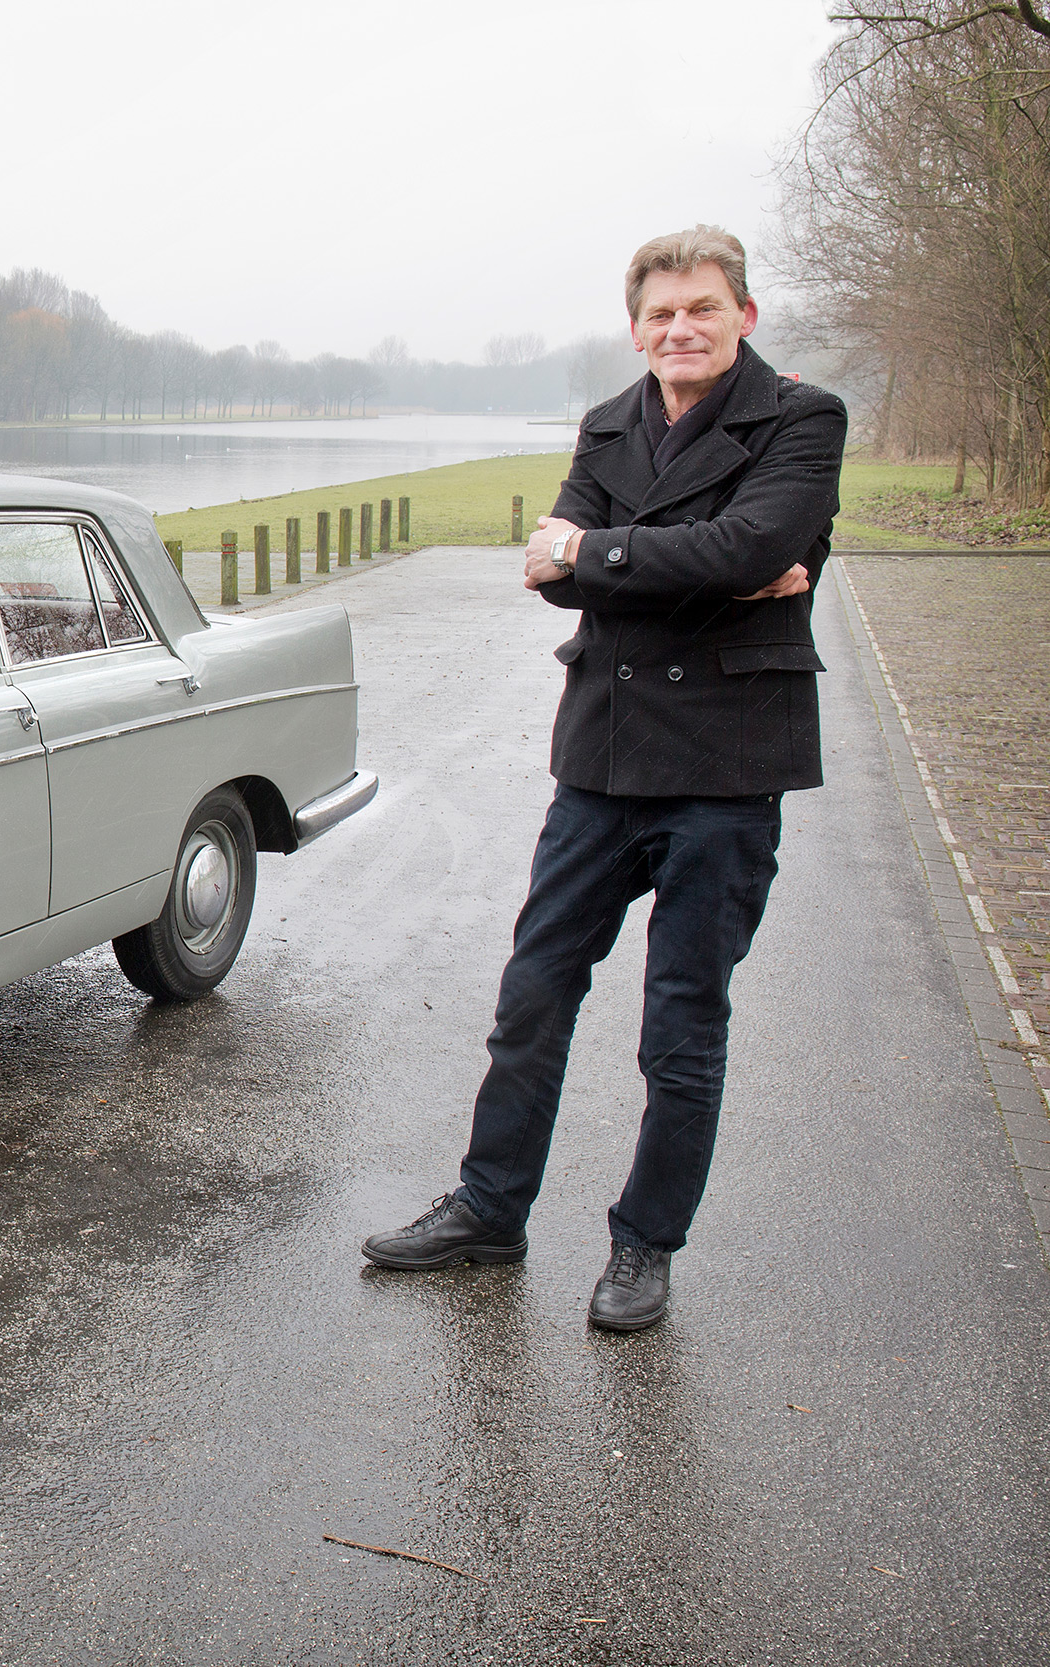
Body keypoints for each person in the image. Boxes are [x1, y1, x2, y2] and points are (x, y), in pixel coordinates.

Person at [362, 226, 847, 1331]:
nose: (680, 329)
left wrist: (603, 554)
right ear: (636, 327)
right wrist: (671, 562)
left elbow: (743, 542)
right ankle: (490, 1207)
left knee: (681, 1022)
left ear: (744, 316)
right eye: (660, 314)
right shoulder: (607, 421)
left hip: (724, 768)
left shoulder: (801, 418)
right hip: (602, 755)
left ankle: (643, 1244)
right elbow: (562, 573)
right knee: (532, 993)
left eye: (702, 309)